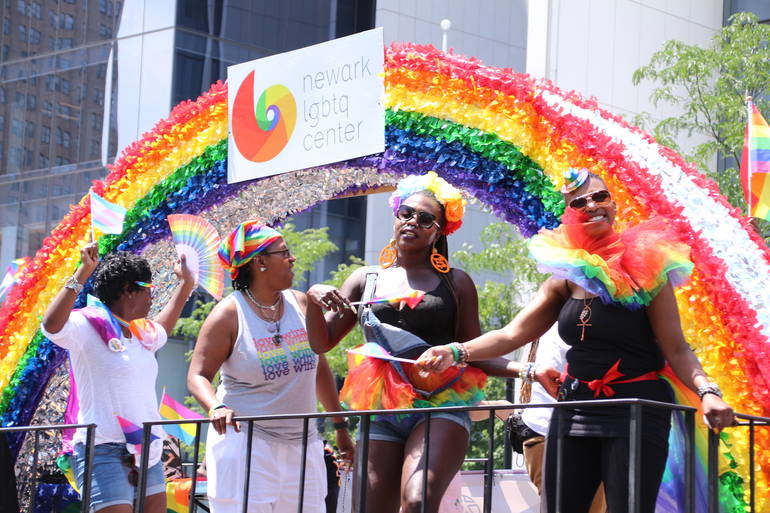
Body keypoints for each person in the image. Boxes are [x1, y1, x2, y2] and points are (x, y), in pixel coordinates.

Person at [416, 168, 735, 513]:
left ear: (613, 204)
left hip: (635, 410)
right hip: (575, 407)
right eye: (580, 202)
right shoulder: (565, 277)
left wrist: (707, 392)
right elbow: (512, 333)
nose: (592, 205)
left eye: (600, 197)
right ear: (571, 214)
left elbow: (676, 348)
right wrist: (455, 351)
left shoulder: (649, 268)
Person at [305, 172, 560, 513]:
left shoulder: (456, 283)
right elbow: (322, 343)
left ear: (439, 231)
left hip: (443, 405)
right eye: (406, 213)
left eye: (426, 219)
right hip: (385, 410)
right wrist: (311, 299)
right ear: (395, 216)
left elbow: (477, 353)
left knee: (417, 500)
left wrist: (529, 371)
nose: (413, 222)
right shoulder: (365, 279)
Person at [187, 222, 354, 513]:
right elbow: (198, 375)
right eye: (285, 253)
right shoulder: (228, 314)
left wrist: (340, 426)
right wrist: (215, 407)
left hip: (305, 444)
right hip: (246, 444)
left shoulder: (300, 303)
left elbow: (320, 368)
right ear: (260, 261)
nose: (293, 259)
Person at [41, 243, 195, 513]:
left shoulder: (141, 333)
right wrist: (82, 273)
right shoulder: (87, 325)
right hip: (102, 449)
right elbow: (51, 325)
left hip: (147, 449)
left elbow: (164, 327)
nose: (151, 297)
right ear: (128, 290)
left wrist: (186, 285)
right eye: (148, 289)